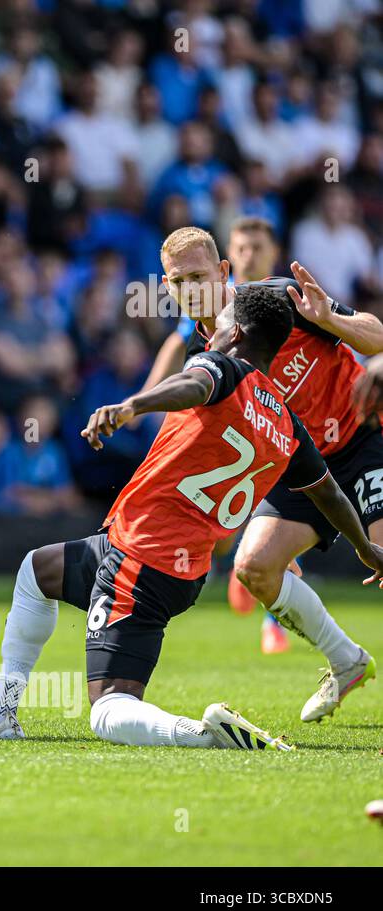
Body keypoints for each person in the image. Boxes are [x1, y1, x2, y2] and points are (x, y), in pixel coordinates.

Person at [0, 284, 383, 748]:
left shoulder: (222, 367)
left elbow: (194, 384)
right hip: (166, 560)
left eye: (219, 323)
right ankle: (2, 711)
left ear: (236, 332)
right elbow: (328, 492)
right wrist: (365, 549)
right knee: (37, 570)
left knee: (108, 712)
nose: (210, 331)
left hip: (144, 558)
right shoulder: (286, 422)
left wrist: (133, 404)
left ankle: (205, 735)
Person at [142, 226, 382, 718]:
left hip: (366, 439)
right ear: (166, 289)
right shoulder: (202, 358)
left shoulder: (280, 299)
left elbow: (378, 336)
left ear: (224, 272)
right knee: (254, 567)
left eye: (198, 277)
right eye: (178, 281)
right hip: (304, 468)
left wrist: (332, 322)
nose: (190, 290)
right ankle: (346, 661)